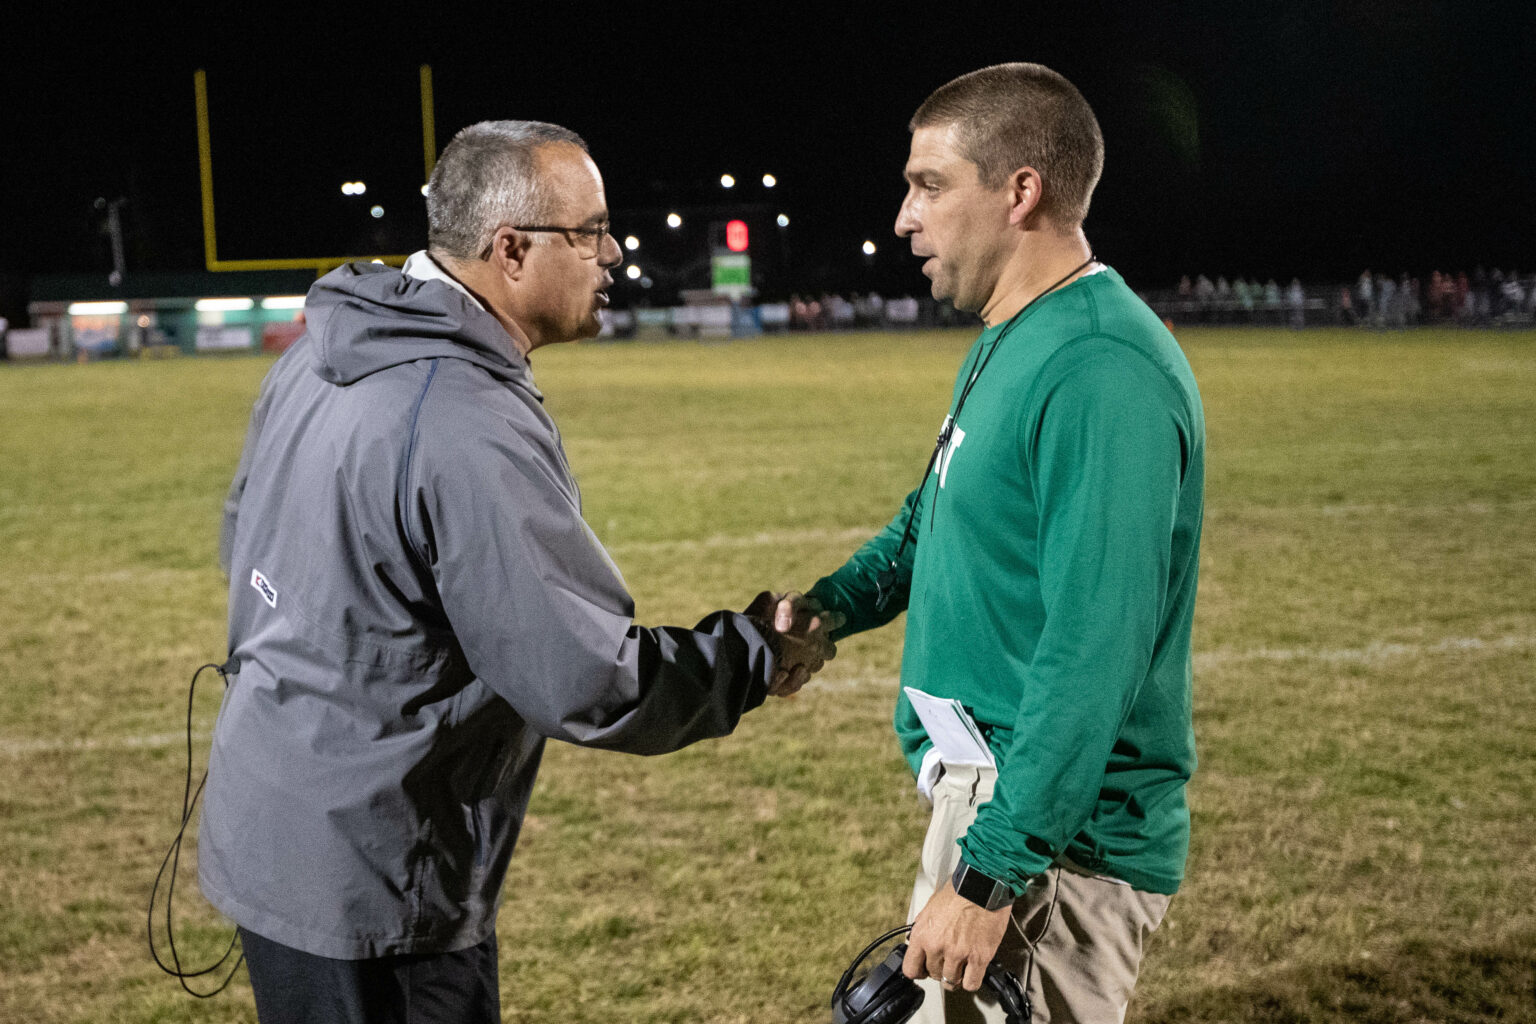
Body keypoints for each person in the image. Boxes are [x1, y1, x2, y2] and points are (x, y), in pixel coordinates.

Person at [199, 120, 836, 1024]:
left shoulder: (320, 351)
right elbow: (583, 675)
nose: (613, 252)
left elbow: (243, 541)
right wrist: (751, 657)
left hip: (270, 826)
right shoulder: (459, 415)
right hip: (374, 875)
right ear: (510, 250)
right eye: (591, 232)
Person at [778, 64, 1205, 1023]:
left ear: (1021, 192)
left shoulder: (1102, 367)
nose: (903, 217)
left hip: (1054, 849)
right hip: (1000, 817)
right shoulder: (1014, 334)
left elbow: (1096, 645)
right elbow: (933, 513)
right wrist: (829, 609)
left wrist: (991, 877)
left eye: (929, 185)